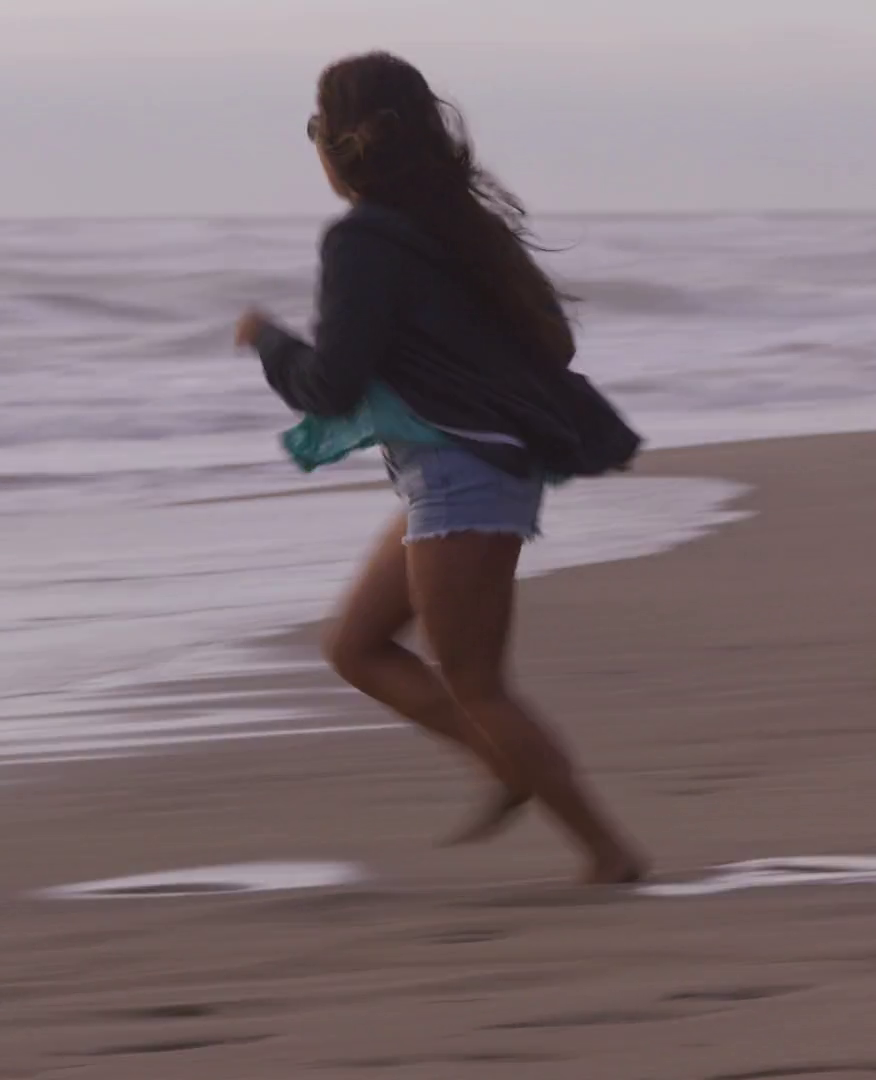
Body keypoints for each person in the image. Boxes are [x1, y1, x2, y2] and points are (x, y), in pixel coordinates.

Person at [235, 52, 646, 883]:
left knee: (479, 683)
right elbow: (554, 342)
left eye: (315, 129)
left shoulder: (363, 241)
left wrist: (269, 343)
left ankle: (610, 855)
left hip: (464, 472)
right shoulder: (458, 223)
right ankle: (505, 764)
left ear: (340, 143)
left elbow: (333, 385)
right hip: (460, 467)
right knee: (355, 646)